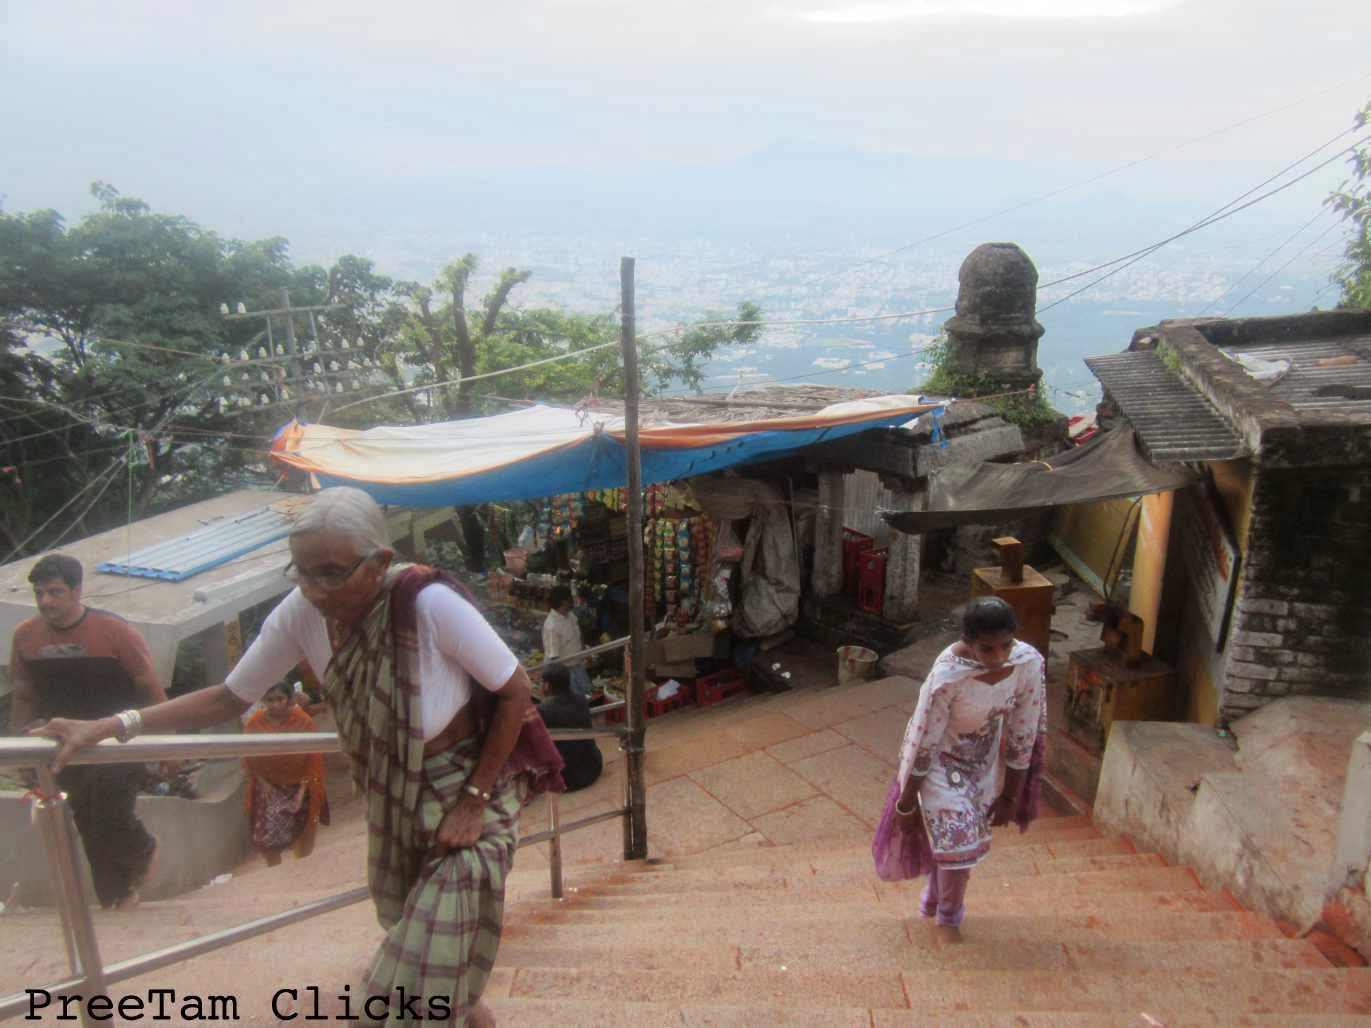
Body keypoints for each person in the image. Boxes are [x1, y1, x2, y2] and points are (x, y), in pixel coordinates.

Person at [33, 487, 564, 1026]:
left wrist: (473, 802)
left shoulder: (427, 604)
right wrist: (114, 725)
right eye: (303, 573)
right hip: (392, 795)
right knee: (435, 962)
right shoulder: (301, 613)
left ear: (379, 561)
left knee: (408, 977)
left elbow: (515, 690)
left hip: (470, 791)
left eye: (332, 573)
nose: (315, 589)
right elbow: (228, 696)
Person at [871, 596, 1047, 940]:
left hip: (982, 762)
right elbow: (924, 742)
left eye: (1005, 645)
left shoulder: (1028, 664)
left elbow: (1023, 731)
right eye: (986, 649)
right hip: (940, 762)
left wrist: (1011, 795)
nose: (997, 657)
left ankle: (932, 903)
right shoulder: (947, 677)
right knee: (960, 840)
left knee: (953, 841)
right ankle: (949, 921)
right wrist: (906, 803)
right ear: (968, 642)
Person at [7, 554, 165, 910]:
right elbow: (24, 693)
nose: (46, 600)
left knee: (110, 810)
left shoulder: (114, 631)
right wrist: (20, 747)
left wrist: (165, 744)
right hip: (65, 744)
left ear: (77, 591)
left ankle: (143, 850)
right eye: (40, 593)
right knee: (86, 818)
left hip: (117, 739)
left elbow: (149, 687)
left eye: (55, 591)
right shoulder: (26, 637)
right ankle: (117, 898)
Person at [243, 681, 329, 866]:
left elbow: (313, 758)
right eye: (270, 700)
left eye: (280, 699)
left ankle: (301, 874)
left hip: (300, 784)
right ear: (263, 700)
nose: (275, 704)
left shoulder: (303, 721)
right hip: (267, 786)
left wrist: (302, 790)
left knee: (304, 834)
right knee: (267, 840)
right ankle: (275, 874)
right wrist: (263, 782)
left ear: (289, 700)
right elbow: (248, 757)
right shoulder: (254, 724)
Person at [535, 663, 603, 792]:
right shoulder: (582, 700)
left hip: (565, 780)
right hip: (594, 767)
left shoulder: (542, 710)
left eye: (541, 682)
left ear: (547, 685)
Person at [541, 584, 591, 698]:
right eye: (571, 598)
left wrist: (584, 652)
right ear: (564, 602)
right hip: (565, 672)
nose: (573, 600)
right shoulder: (552, 626)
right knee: (572, 702)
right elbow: (554, 659)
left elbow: (578, 634)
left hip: (577, 666)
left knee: (584, 698)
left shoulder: (570, 615)